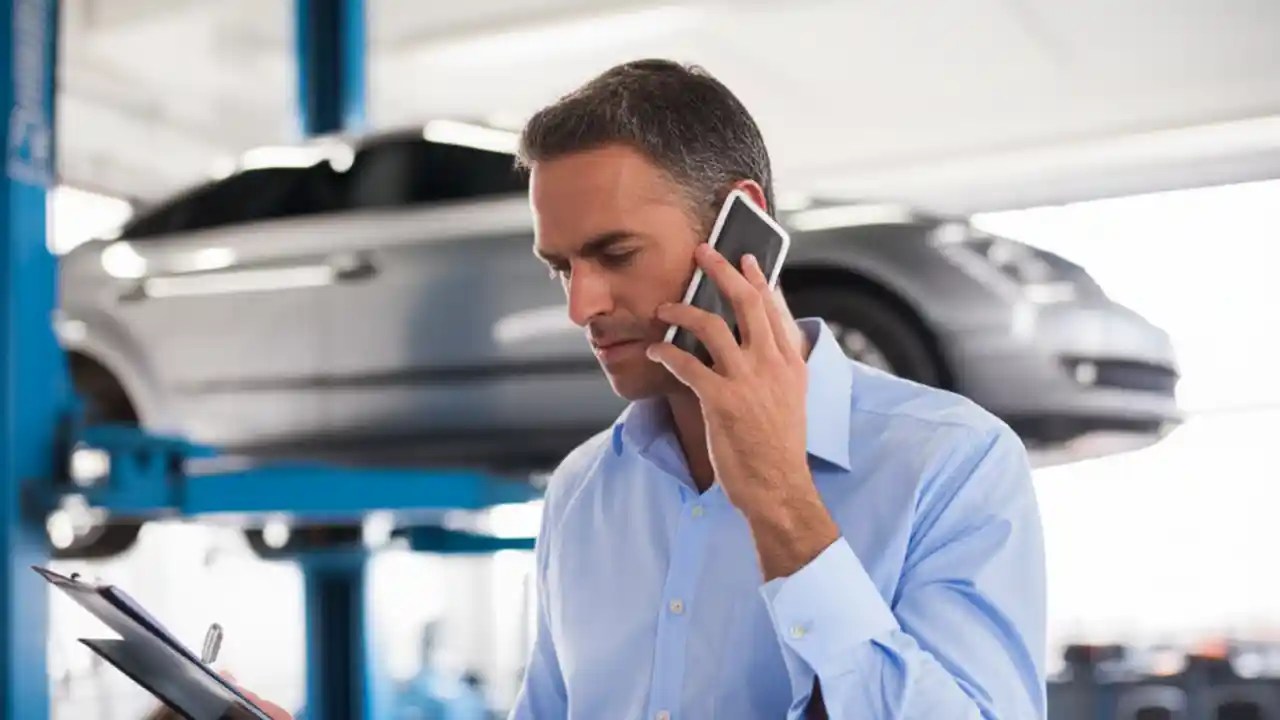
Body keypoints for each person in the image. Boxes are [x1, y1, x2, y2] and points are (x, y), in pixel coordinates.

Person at [245, 58, 1048, 719]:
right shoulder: (584, 490)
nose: (580, 306)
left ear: (742, 226)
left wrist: (781, 503)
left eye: (616, 253)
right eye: (561, 267)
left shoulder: (953, 463)